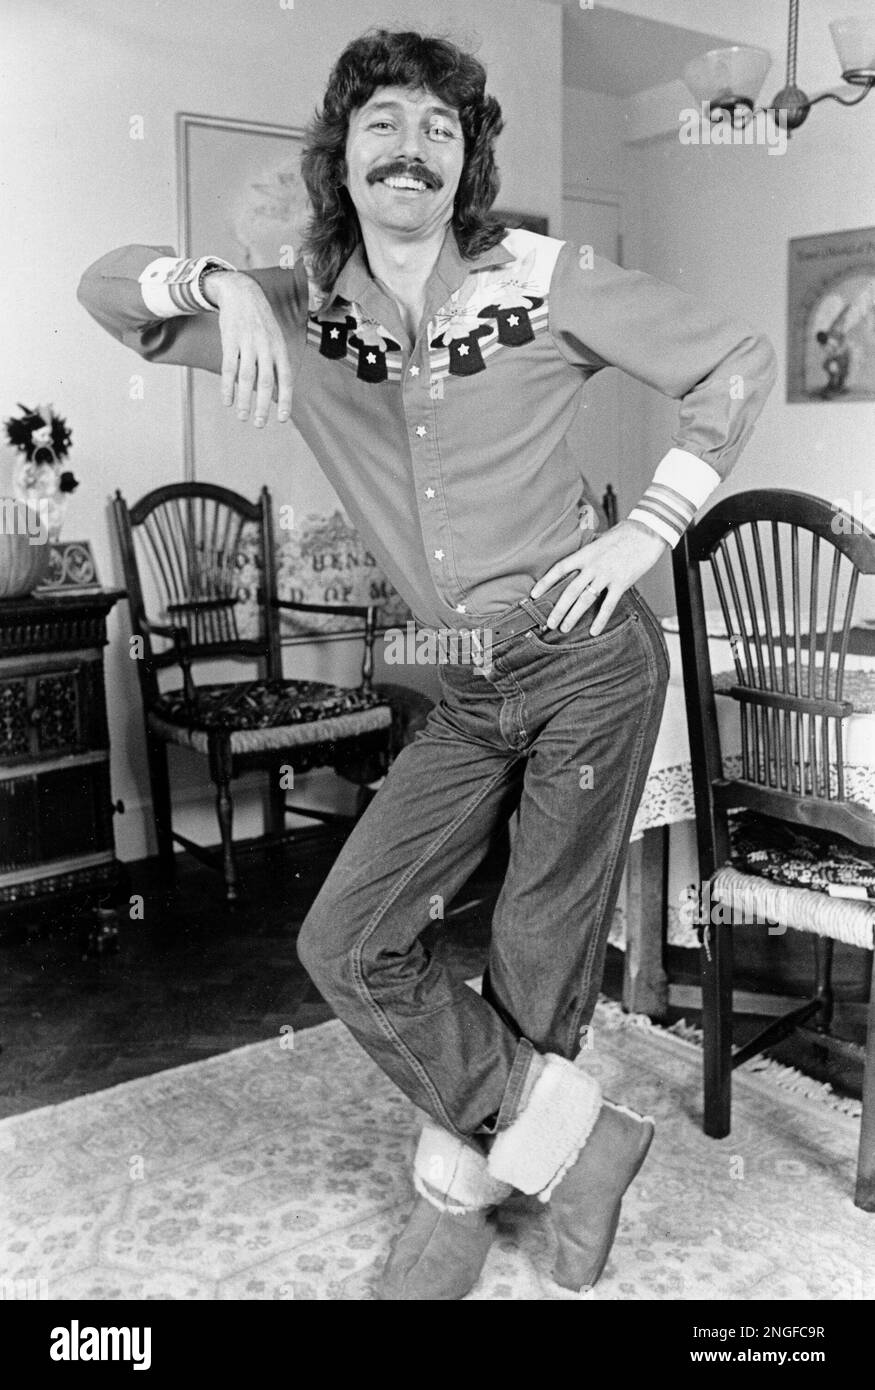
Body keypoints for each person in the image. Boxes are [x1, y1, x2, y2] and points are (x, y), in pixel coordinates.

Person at [78, 27, 777, 1300]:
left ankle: (453, 1208)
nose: (412, 147)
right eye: (383, 123)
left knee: (533, 944)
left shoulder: (540, 275)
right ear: (340, 158)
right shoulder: (294, 305)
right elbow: (105, 290)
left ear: (465, 167)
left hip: (584, 663)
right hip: (462, 681)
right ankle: (584, 1145)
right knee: (345, 939)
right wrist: (214, 283)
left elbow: (734, 360)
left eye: (441, 130)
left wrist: (646, 528)